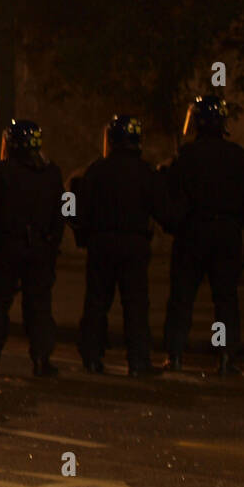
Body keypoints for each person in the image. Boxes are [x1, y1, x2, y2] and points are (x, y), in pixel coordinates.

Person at [162, 95, 244, 375]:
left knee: (182, 298)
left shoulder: (187, 157)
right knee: (225, 300)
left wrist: (173, 225)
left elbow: (171, 198)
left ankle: (176, 354)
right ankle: (226, 357)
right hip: (227, 234)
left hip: (194, 232)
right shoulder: (238, 156)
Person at [69, 115, 172, 377]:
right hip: (134, 244)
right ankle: (138, 362)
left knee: (96, 303)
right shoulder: (145, 172)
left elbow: (78, 212)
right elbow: (164, 211)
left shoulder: (95, 171)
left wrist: (82, 234)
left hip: (101, 243)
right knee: (136, 304)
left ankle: (91, 358)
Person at [0, 120, 64, 377]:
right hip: (40, 248)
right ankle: (41, 359)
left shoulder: (2, 173)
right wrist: (52, 244)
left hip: (8, 248)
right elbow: (63, 211)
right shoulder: (52, 174)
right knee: (39, 306)